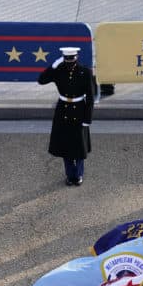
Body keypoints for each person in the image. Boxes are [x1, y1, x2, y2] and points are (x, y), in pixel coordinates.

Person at [37, 47, 94, 186]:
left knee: (79, 147)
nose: (70, 62)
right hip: (63, 110)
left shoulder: (85, 72)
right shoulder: (59, 70)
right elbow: (41, 80)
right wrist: (53, 66)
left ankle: (78, 174)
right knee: (65, 146)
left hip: (79, 109)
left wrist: (87, 119)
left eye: (72, 59)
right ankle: (70, 175)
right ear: (63, 59)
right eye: (66, 59)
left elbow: (91, 98)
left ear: (76, 58)